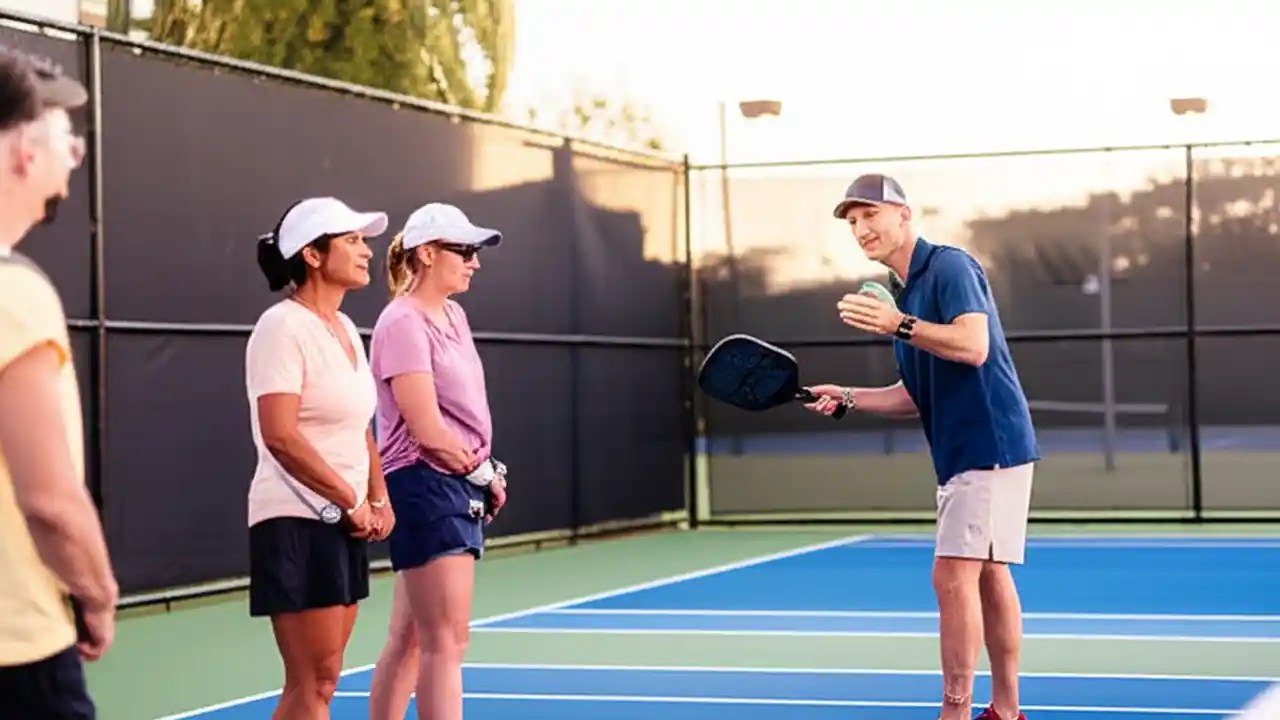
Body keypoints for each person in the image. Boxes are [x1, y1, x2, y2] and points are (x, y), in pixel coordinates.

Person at [806, 174, 1039, 720]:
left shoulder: (949, 267)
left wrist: (898, 323)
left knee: (952, 576)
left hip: (988, 442)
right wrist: (847, 395)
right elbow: (913, 395)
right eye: (853, 221)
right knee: (987, 573)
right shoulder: (905, 291)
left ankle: (954, 712)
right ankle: (1005, 711)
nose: (862, 228)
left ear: (904, 215)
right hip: (974, 447)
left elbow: (974, 345)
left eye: (871, 215)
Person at [245, 196, 397, 717]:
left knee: (325, 679)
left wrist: (379, 496)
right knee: (312, 682)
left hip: (344, 520)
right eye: (352, 240)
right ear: (313, 255)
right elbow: (280, 435)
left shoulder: (346, 330)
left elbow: (359, 427)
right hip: (296, 521)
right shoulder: (281, 327)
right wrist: (348, 500)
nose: (366, 250)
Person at [0, 47, 118, 719]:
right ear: (23, 153)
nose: (73, 151)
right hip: (17, 654)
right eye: (62, 136)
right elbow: (48, 498)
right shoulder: (14, 295)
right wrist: (97, 596)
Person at [366, 202, 508, 720]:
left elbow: (461, 415)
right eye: (465, 251)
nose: (475, 262)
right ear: (427, 254)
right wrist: (481, 471)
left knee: (409, 639)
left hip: (453, 483)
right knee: (447, 643)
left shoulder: (453, 315)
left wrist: (481, 470)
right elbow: (426, 429)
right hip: (427, 486)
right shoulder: (402, 322)